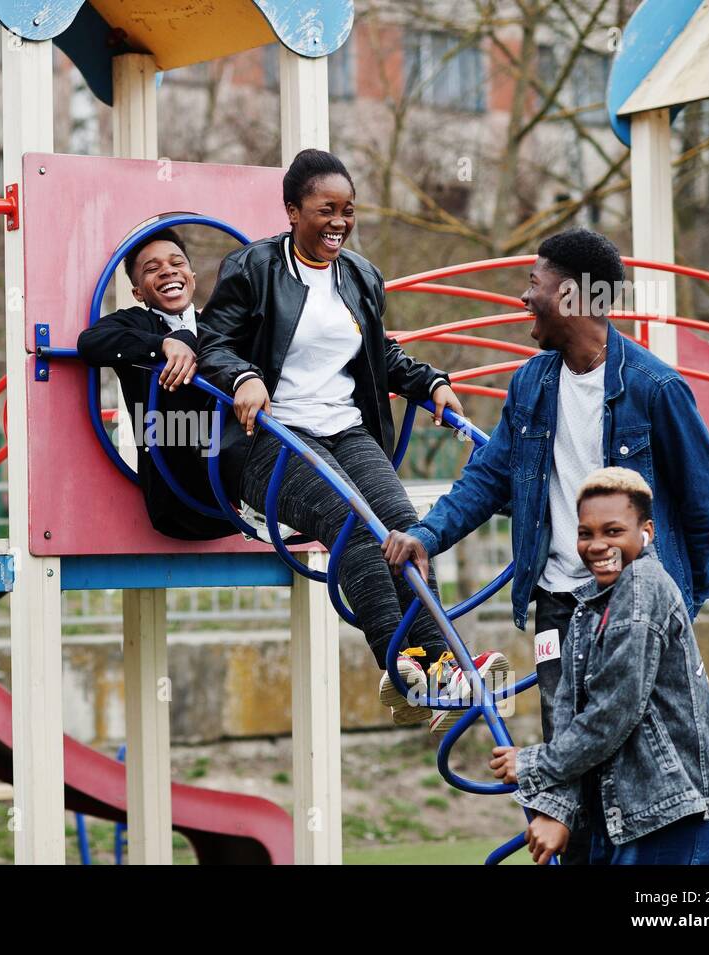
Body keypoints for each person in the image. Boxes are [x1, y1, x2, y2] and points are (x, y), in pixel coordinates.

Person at [199, 148, 506, 729]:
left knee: (405, 531)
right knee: (356, 527)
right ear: (292, 211)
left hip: (345, 428)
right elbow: (210, 342)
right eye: (325, 209)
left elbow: (378, 354)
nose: (339, 221)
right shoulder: (251, 269)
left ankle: (441, 668)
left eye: (348, 210)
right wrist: (243, 377)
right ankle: (404, 670)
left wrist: (430, 382)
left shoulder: (361, 275)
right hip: (273, 439)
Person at [385, 227, 709, 746]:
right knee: (564, 752)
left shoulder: (655, 389)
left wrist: (680, 604)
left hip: (632, 603)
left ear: (570, 296)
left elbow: (702, 504)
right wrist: (427, 535)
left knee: (635, 751)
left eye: (533, 282)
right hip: (558, 603)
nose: (523, 296)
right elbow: (488, 478)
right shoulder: (531, 385)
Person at [489, 467, 709, 865]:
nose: (598, 545)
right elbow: (571, 714)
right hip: (618, 819)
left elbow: (612, 715)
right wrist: (557, 809)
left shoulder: (642, 588)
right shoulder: (587, 608)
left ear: (646, 531)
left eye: (613, 531)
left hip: (667, 817)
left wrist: (533, 763)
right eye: (586, 533)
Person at [77, 228, 231, 540]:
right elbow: (91, 343)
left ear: (192, 275)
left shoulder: (216, 326)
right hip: (176, 493)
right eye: (152, 268)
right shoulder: (137, 323)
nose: (168, 271)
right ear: (138, 292)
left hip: (227, 485)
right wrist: (163, 345)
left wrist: (190, 339)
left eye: (177, 263)